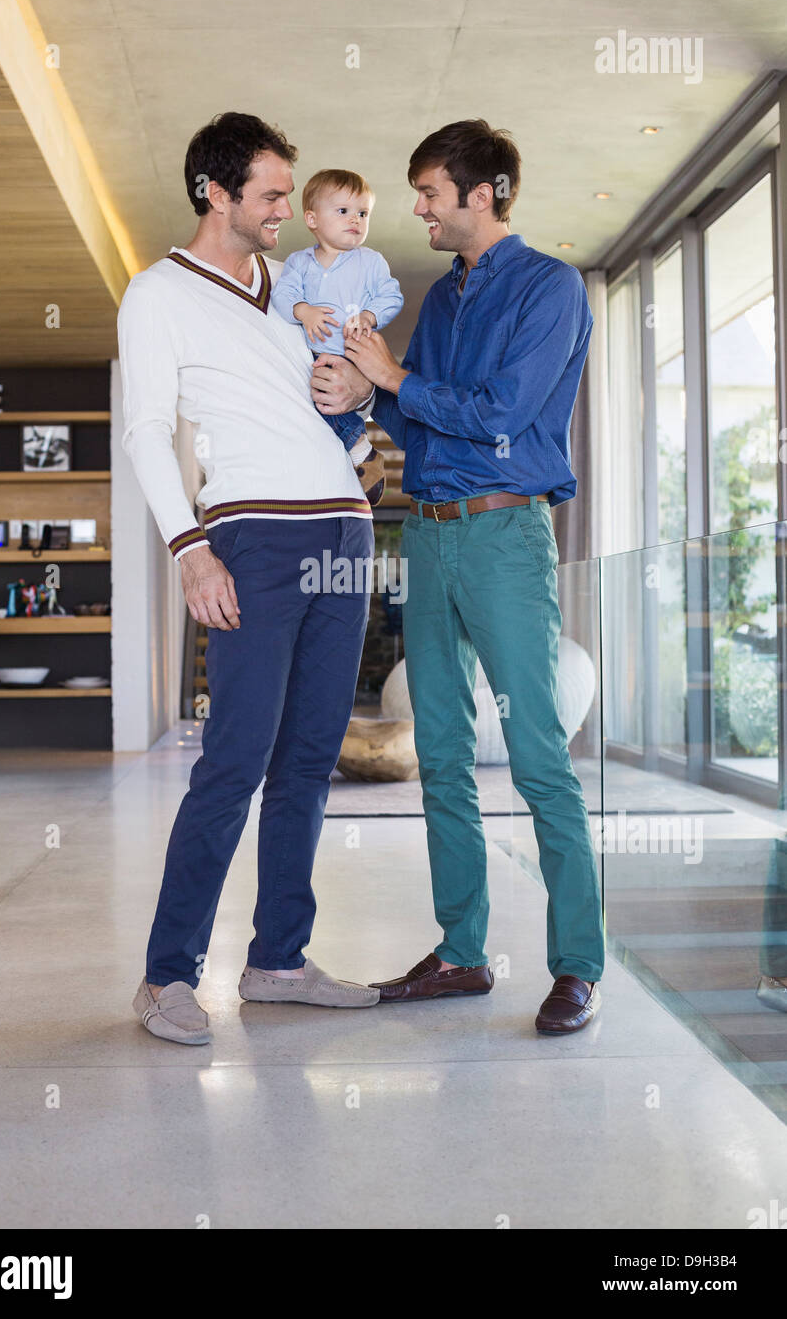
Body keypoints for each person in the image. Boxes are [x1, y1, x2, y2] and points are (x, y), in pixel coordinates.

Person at [311, 119, 605, 1035]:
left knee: (539, 759)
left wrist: (395, 378)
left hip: (505, 536)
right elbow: (429, 425)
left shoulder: (553, 288)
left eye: (431, 192)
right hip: (428, 536)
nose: (418, 208)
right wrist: (372, 395)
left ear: (485, 194)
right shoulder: (440, 299)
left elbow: (506, 413)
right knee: (438, 754)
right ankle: (463, 953)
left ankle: (577, 967)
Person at [118, 112, 380, 1044]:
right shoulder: (157, 294)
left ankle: (277, 960)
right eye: (271, 195)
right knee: (234, 761)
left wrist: (359, 398)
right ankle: (166, 976)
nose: (287, 210)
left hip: (344, 532)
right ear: (215, 194)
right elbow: (147, 430)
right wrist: (190, 548)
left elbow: (324, 397)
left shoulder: (287, 288)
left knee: (310, 759)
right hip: (254, 541)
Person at [270, 167, 403, 505]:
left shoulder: (370, 262)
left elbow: (391, 296)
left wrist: (370, 315)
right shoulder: (299, 263)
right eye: (343, 211)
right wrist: (304, 310)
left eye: (363, 213)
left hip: (354, 354)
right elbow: (283, 296)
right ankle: (357, 451)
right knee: (311, 400)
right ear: (312, 219)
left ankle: (356, 452)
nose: (355, 220)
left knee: (327, 398)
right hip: (314, 355)